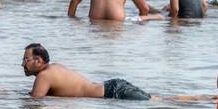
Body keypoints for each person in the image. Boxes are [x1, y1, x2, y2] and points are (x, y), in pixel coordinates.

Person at [22, 43, 155, 100]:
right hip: (113, 87)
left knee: (157, 102)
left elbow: (35, 101)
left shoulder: (44, 76)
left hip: (112, 93)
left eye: (26, 59)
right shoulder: (55, 67)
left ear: (38, 60)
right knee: (156, 99)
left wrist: (8, 97)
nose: (23, 64)